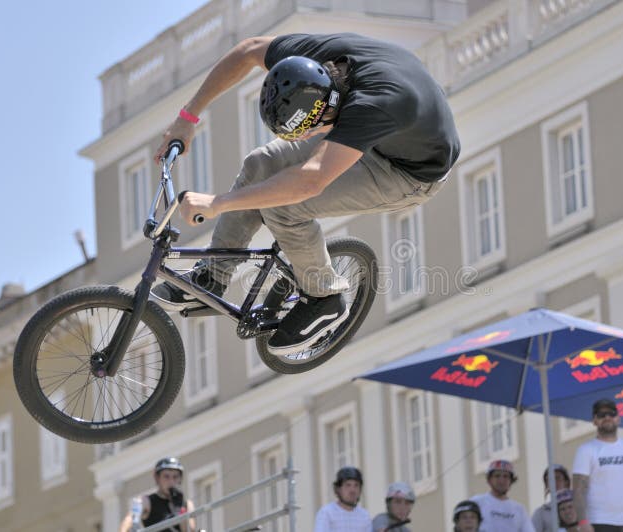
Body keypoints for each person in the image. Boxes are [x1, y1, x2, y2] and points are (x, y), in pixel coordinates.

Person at [150, 32, 460, 356]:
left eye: (313, 128)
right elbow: (248, 51)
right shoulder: (315, 58)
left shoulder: (374, 104)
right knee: (260, 164)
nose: (311, 136)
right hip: (380, 129)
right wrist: (187, 117)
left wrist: (218, 203)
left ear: (328, 104)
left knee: (286, 207)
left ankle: (325, 296)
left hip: (409, 171)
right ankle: (212, 278)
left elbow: (309, 182)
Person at [572, 399, 623, 532]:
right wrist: (583, 522)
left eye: (611, 413)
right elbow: (578, 491)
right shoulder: (586, 450)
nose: (607, 417)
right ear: (594, 421)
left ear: (618, 419)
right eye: (601, 415)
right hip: (599, 522)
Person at [119, 457, 196, 532]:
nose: (171, 481)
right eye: (166, 476)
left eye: (175, 477)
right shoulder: (146, 501)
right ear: (157, 478)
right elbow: (128, 521)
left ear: (180, 479)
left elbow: (190, 530)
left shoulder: (186, 504)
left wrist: (180, 509)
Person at [470, 459, 534, 532]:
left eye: (506, 476)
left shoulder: (519, 510)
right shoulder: (476, 502)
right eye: (497, 476)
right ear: (489, 480)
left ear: (511, 481)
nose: (501, 480)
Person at [314, 466, 371, 531]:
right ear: (338, 489)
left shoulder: (364, 515)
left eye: (356, 485)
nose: (352, 490)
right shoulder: (327, 513)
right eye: (348, 485)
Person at [531, 464, 572, 532]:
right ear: (547, 486)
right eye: (549, 479)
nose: (554, 482)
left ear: (566, 482)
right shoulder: (541, 513)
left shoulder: (579, 507)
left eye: (558, 478)